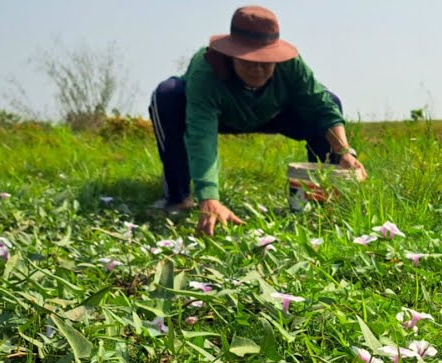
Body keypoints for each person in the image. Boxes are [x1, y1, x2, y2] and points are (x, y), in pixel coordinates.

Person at [148, 5, 367, 236]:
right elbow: (201, 136)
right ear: (232, 54)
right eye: (249, 61)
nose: (258, 69)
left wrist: (344, 151)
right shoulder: (207, 69)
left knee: (330, 100)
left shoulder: (292, 65)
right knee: (167, 94)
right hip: (222, 117)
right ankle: (178, 197)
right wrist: (209, 197)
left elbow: (323, 107)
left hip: (273, 113)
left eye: (266, 61)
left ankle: (324, 198)